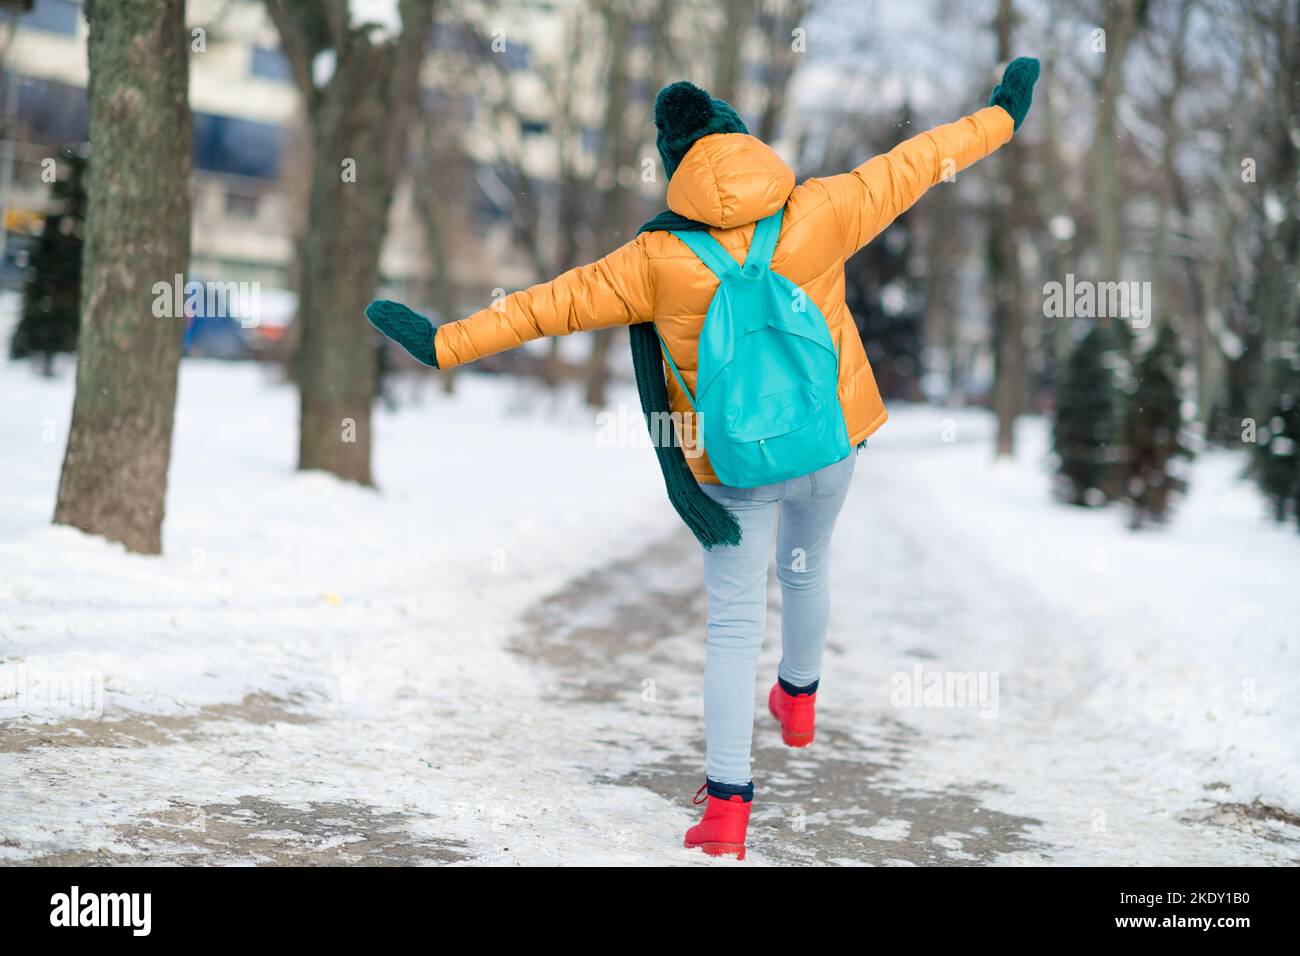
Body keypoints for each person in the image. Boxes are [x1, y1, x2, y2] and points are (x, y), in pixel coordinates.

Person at [366, 58, 1039, 860]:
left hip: (731, 468)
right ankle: (799, 698)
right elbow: (920, 161)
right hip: (828, 443)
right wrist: (1002, 116)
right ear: (741, 139)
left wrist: (445, 343)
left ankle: (726, 812)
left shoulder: (651, 260)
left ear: (675, 165)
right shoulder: (822, 208)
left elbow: (547, 306)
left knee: (733, 627)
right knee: (806, 570)